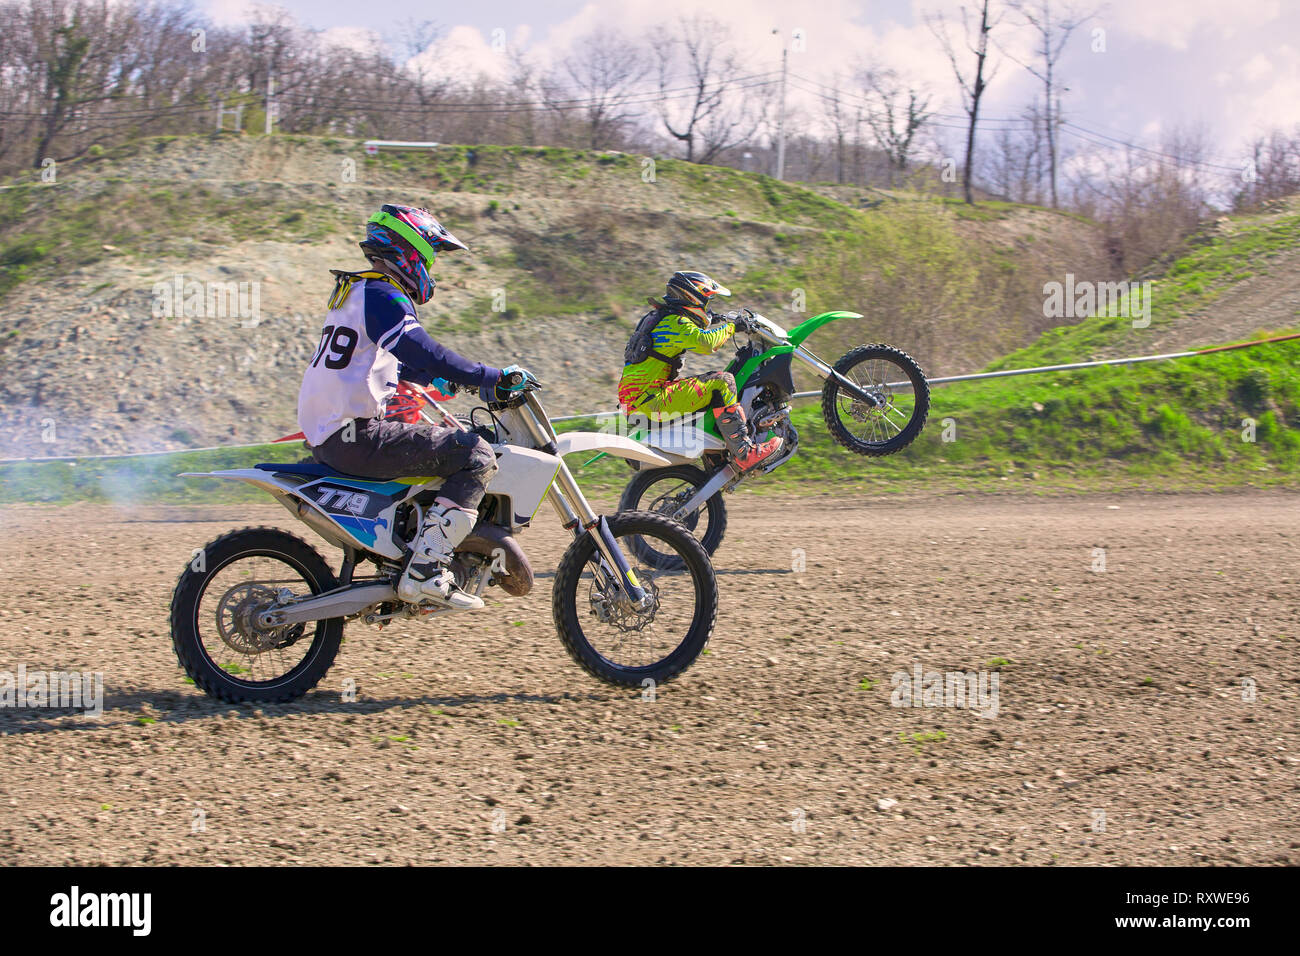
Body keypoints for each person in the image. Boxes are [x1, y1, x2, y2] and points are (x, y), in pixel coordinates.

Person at [296, 203, 534, 611]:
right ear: (411, 250)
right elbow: (420, 346)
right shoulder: (384, 294)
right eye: (431, 256)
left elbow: (383, 358)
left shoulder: (356, 291)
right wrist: (488, 375)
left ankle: (412, 551)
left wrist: (435, 378)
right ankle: (426, 568)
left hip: (333, 433)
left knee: (446, 447)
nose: (431, 268)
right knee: (475, 454)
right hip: (356, 435)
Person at [617, 271, 781, 472]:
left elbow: (690, 329)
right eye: (707, 302)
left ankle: (715, 457)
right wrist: (732, 327)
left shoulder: (657, 318)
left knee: (704, 389)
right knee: (723, 382)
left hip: (637, 402)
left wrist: (716, 318)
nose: (707, 307)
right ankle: (746, 453)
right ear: (694, 297)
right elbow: (706, 343)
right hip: (649, 402)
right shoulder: (676, 323)